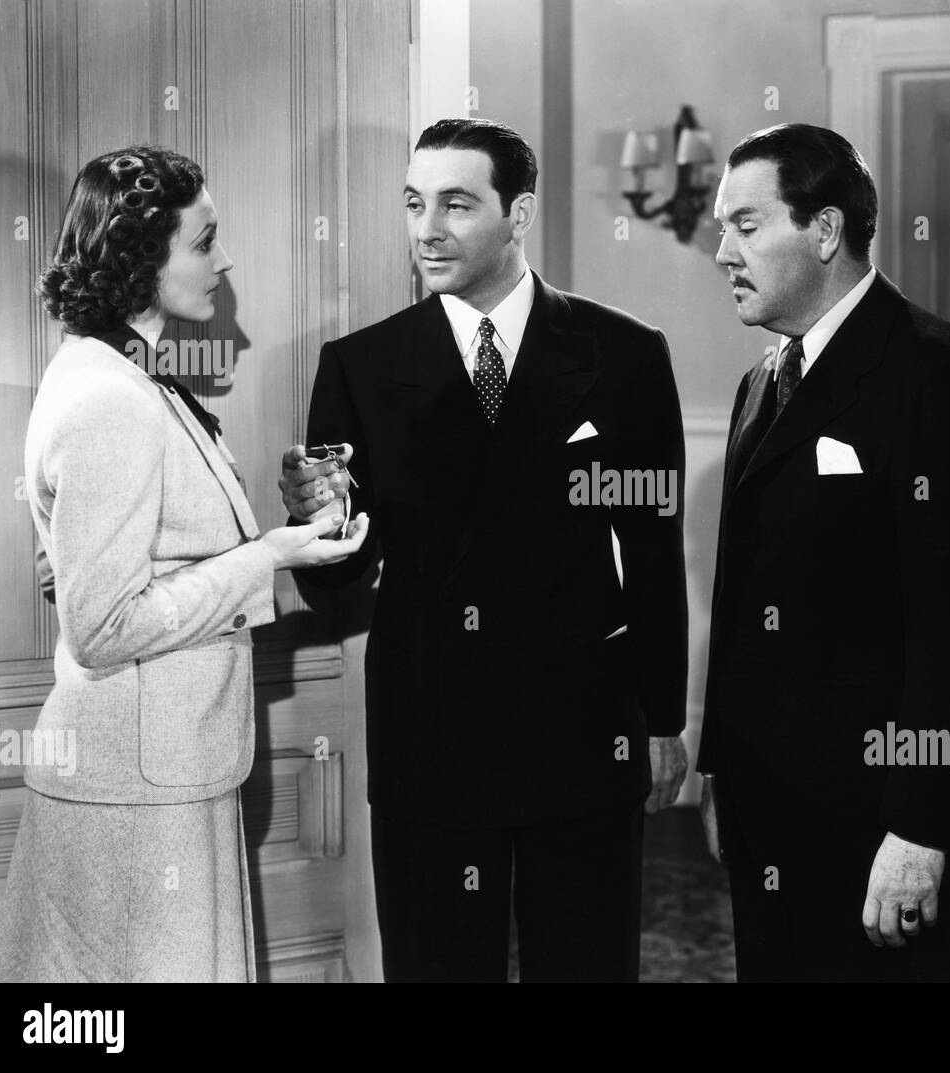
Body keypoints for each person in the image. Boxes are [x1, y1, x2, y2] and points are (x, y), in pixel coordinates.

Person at [279, 118, 689, 982]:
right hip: (432, 737)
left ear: (519, 212)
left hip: (582, 736)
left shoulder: (624, 355)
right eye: (414, 204)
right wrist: (325, 539)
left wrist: (662, 719)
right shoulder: (359, 367)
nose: (428, 228)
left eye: (457, 204)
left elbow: (653, 551)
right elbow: (341, 584)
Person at [0, 145, 366, 983]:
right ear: (139, 254)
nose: (224, 261)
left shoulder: (121, 376)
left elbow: (83, 574)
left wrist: (288, 533)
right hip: (133, 790)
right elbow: (100, 625)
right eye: (204, 242)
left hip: (155, 777)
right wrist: (268, 553)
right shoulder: (109, 398)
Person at [699, 123, 950, 981]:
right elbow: (741, 599)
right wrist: (720, 774)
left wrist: (920, 827)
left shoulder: (932, 372)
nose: (721, 250)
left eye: (745, 225)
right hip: (768, 813)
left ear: (826, 231)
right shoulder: (759, 381)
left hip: (876, 825)